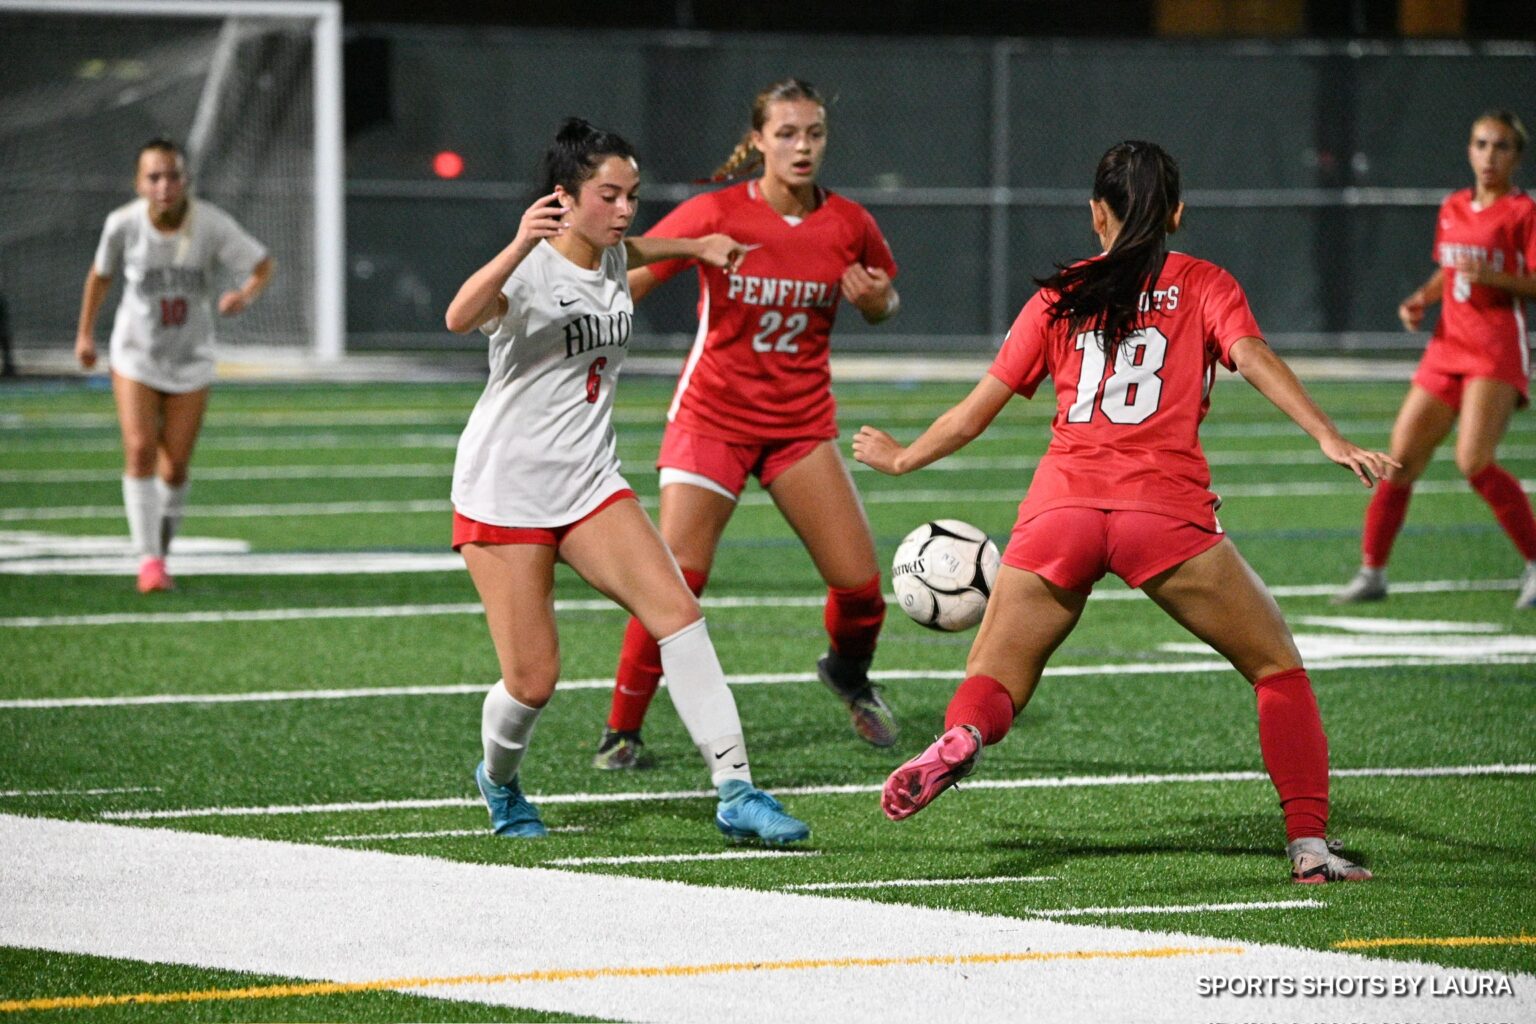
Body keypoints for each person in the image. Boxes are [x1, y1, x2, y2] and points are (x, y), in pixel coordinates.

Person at [853, 141, 1396, 884]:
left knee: (998, 680)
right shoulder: (1203, 281)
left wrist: (903, 457)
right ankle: (1308, 848)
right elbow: (1255, 356)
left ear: (1096, 214)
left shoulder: (1061, 293)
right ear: (1176, 212)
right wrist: (1327, 434)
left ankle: (963, 738)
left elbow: (976, 409)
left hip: (1060, 512)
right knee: (1277, 671)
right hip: (1162, 514)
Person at [445, 118, 809, 844]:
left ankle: (736, 787)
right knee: (533, 682)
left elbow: (633, 250)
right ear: (564, 199)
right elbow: (459, 316)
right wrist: (520, 242)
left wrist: (695, 246)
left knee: (677, 613)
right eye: (608, 196)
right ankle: (500, 781)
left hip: (589, 485)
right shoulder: (528, 268)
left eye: (632, 196)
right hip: (505, 491)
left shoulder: (610, 255)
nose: (623, 211)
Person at [594, 78, 903, 771]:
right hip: (714, 419)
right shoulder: (716, 212)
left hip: (799, 426)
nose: (802, 147)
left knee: (860, 588)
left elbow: (883, 301)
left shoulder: (850, 223)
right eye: (787, 133)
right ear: (758, 140)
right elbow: (625, 279)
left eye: (814, 133)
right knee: (676, 579)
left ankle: (847, 673)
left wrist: (878, 301)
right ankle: (622, 730)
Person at [1334, 110, 1536, 607]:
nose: (1490, 155)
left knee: (1473, 461)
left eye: (1502, 146)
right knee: (1398, 460)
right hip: (1447, 346)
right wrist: (1422, 298)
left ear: (1517, 156)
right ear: (1469, 150)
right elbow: (1449, 271)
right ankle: (1373, 572)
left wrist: (1491, 278)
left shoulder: (1523, 212)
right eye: (1482, 144)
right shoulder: (1452, 207)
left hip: (1495, 347)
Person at [75, 138, 273, 593]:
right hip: (136, 354)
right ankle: (149, 562)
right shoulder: (122, 224)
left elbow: (262, 265)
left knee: (175, 467)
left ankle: (160, 551)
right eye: (154, 176)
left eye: (173, 175)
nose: (164, 185)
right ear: (139, 183)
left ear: (186, 181)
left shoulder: (211, 224)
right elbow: (100, 276)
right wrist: (85, 334)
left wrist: (243, 294)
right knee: (141, 448)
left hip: (191, 357)